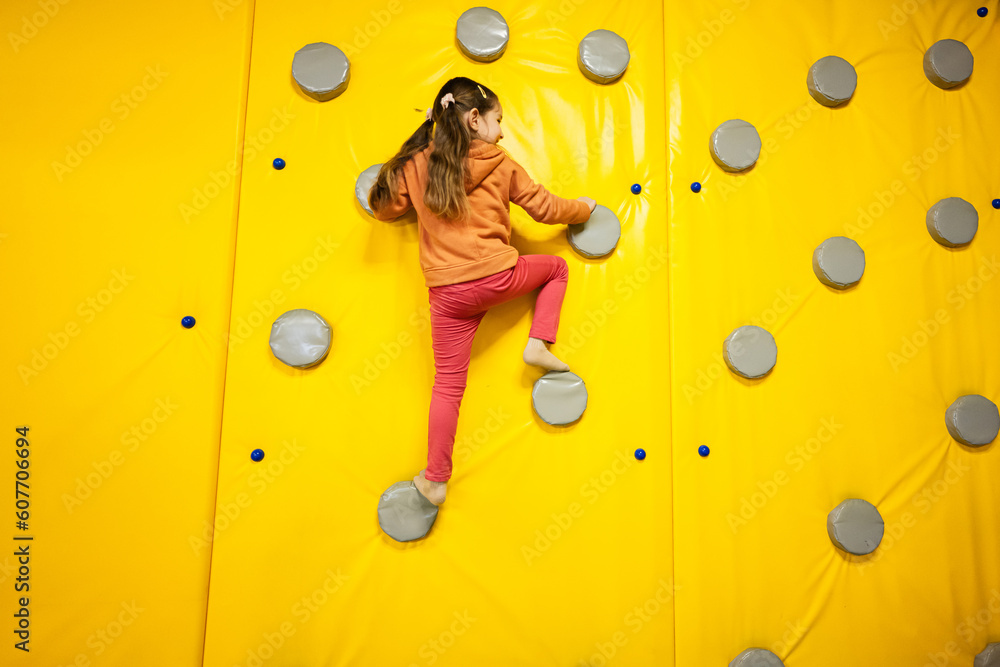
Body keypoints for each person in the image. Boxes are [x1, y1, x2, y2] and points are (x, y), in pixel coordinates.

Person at [369, 76, 597, 506]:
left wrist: (405, 170)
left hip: (447, 295)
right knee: (557, 269)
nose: (503, 131)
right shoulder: (500, 162)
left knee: (448, 386)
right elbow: (546, 208)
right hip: (498, 278)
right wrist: (585, 208)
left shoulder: (418, 164)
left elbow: (385, 209)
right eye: (498, 120)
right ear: (475, 119)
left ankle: (436, 479)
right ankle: (538, 344)